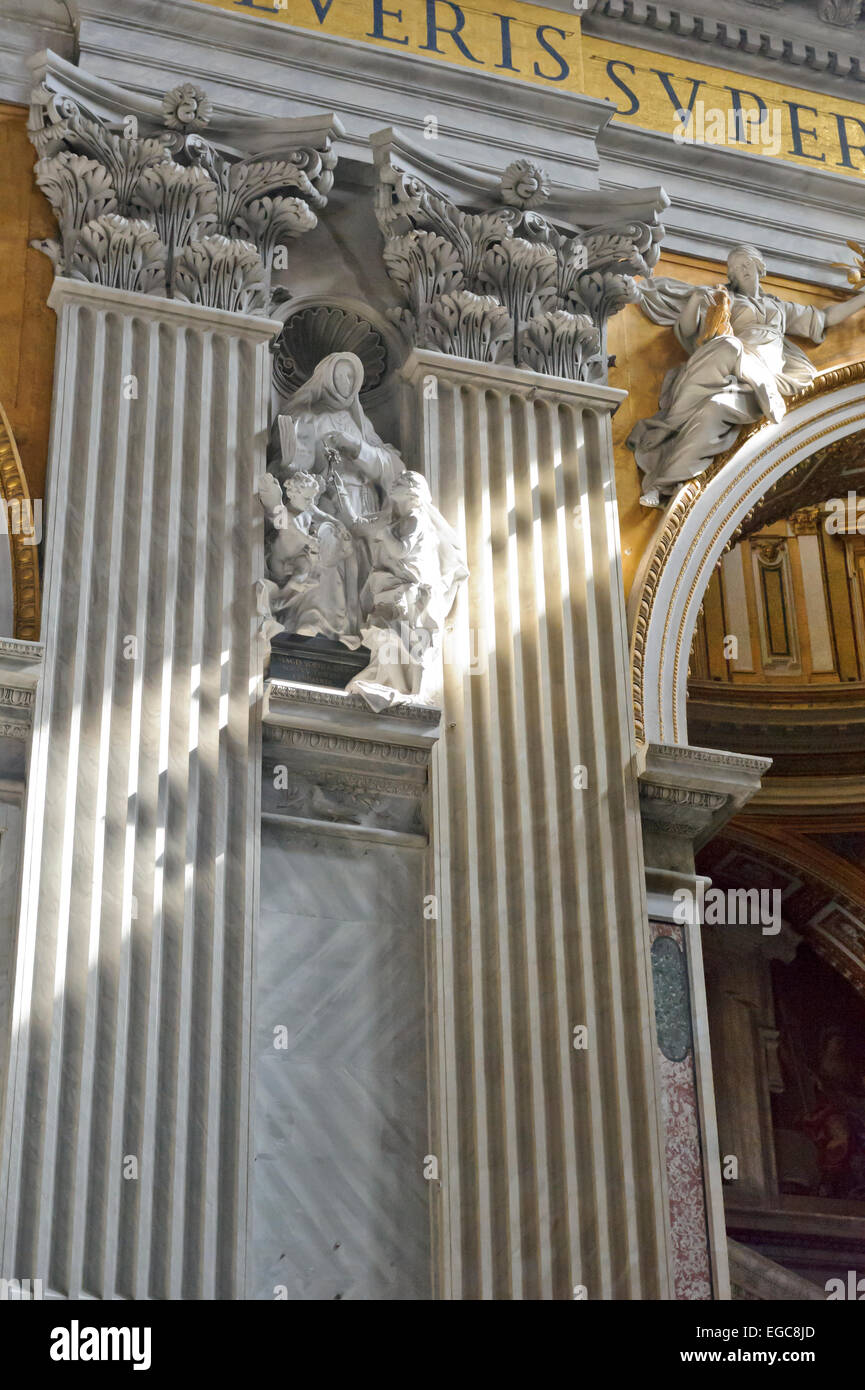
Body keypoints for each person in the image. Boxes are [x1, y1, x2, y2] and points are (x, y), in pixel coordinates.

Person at [628, 244, 865, 505]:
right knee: (723, 370)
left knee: (721, 382)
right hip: (731, 370)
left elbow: (825, 318)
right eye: (736, 269)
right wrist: (695, 302)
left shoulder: (780, 308)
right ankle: (664, 467)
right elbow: (686, 331)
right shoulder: (727, 300)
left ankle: (662, 482)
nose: (743, 271)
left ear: (759, 267)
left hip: (761, 374)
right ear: (731, 276)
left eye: (746, 264)